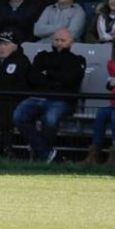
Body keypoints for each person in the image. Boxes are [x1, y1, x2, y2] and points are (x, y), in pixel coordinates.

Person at [12, 26, 87, 162]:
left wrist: (48, 74)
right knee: (19, 115)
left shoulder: (78, 60)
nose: (59, 43)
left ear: (71, 42)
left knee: (50, 119)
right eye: (56, 40)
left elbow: (71, 80)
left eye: (63, 40)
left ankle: (40, 154)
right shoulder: (41, 56)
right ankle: (47, 153)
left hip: (62, 100)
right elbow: (33, 77)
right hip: (37, 97)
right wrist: (58, 78)